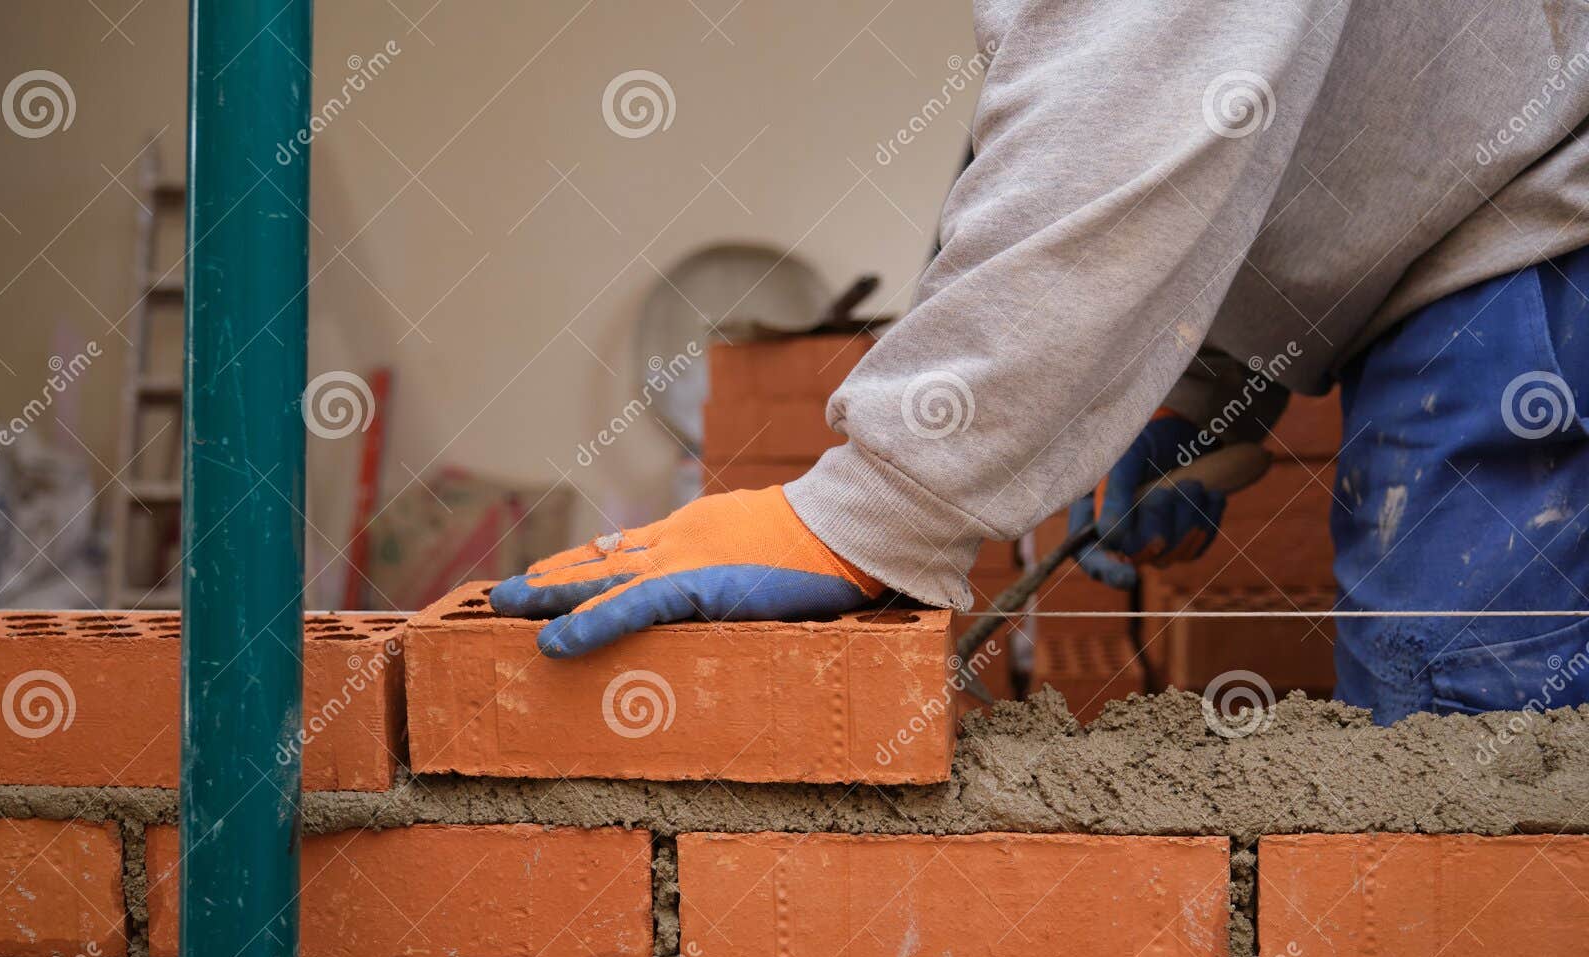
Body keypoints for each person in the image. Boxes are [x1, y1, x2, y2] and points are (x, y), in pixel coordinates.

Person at [494, 0, 1589, 725]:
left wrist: (874, 509)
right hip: (1495, 250)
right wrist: (1206, 389)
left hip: (1543, 270)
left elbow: (1143, 79)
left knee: (1469, 860)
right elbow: (1299, 105)